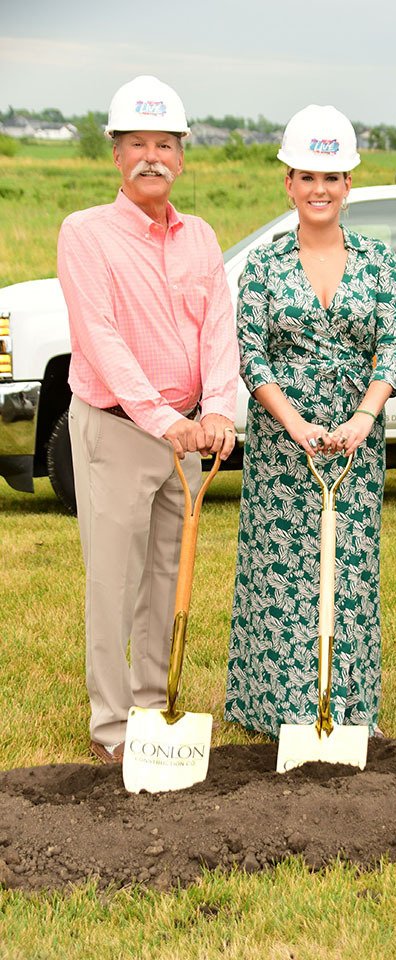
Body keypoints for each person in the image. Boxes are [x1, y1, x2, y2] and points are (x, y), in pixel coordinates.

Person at [57, 76, 239, 764]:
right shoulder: (86, 235)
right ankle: (111, 728)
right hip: (117, 428)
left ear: (183, 156)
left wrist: (218, 406)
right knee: (113, 580)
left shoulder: (201, 238)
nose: (151, 156)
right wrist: (164, 418)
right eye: (137, 143)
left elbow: (217, 331)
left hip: (186, 434)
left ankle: (152, 707)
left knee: (169, 577)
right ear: (115, 152)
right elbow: (101, 338)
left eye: (165, 143)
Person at [225, 105, 396, 738]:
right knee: (283, 569)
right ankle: (278, 711)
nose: (319, 190)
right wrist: (295, 423)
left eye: (332, 177)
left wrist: (363, 416)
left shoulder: (379, 261)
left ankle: (348, 709)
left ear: (349, 185)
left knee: (349, 568)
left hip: (357, 443)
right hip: (284, 444)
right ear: (289, 184)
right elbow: (251, 354)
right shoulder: (264, 266)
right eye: (307, 177)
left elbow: (392, 346)